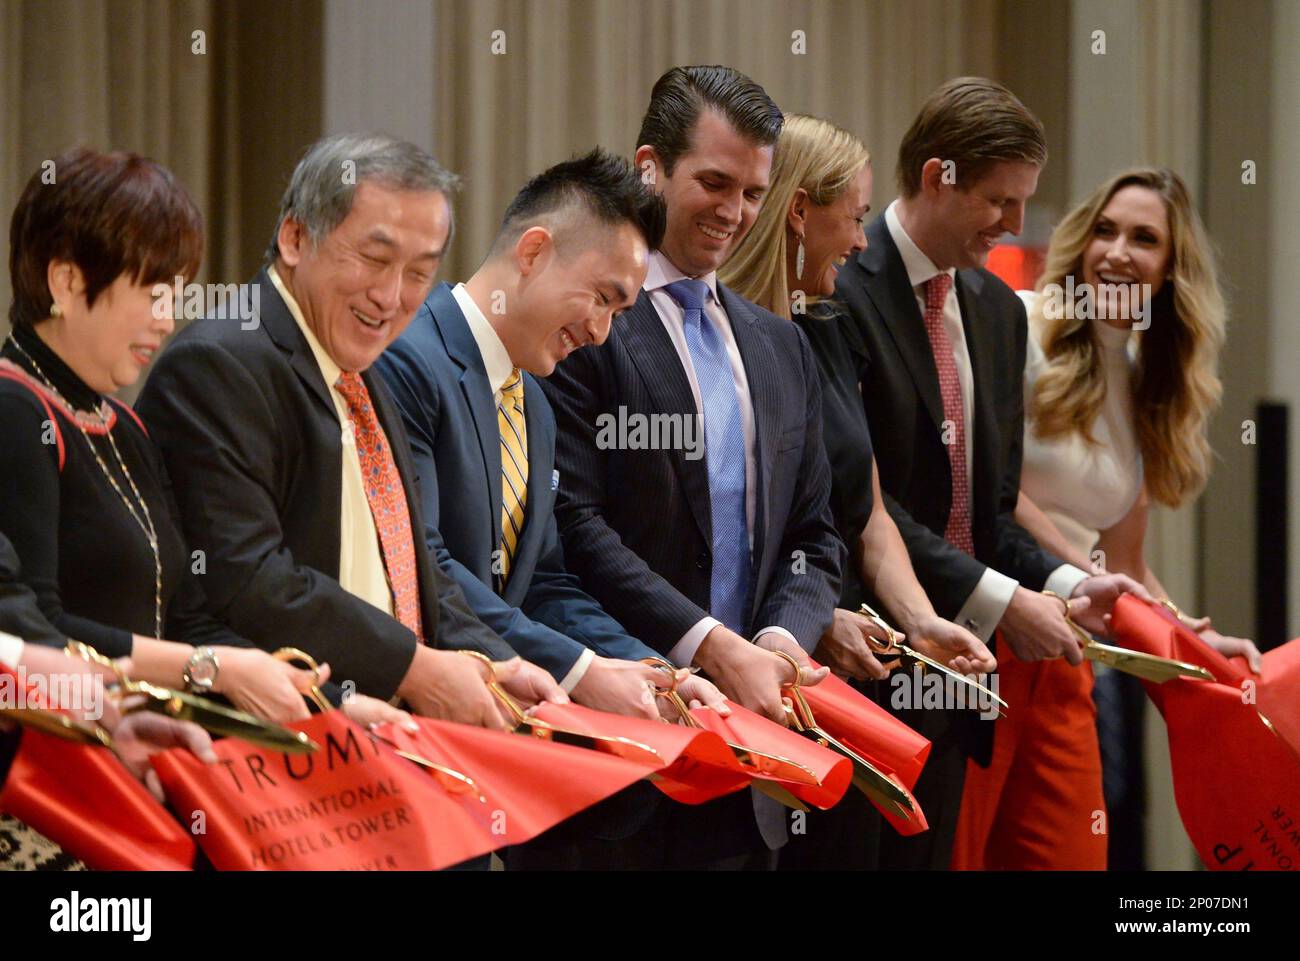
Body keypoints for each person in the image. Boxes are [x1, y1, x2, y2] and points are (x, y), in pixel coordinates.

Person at [136, 134, 564, 731]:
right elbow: (249, 579)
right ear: (294, 238)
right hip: (282, 742)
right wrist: (414, 668)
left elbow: (409, 562)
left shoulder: (359, 366)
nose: (390, 298)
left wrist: (493, 657)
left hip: (388, 733)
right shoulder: (221, 361)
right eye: (373, 258)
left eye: (420, 272)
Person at [831, 77, 1147, 870]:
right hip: (870, 661)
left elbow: (994, 509)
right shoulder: (840, 291)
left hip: (968, 673)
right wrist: (1006, 601)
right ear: (940, 176)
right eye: (1001, 203)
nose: (1014, 225)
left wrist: (1073, 586)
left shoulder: (997, 310)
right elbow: (866, 504)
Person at [541, 66, 846, 869]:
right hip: (616, 769)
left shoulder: (782, 346)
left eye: (753, 191)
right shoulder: (586, 322)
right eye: (714, 182)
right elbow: (572, 526)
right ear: (651, 166)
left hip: (750, 777)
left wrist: (780, 639)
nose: (735, 212)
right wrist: (711, 646)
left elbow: (816, 534)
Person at [0, 148, 369, 725]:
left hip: (141, 745)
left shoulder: (124, 426)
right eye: (153, 293)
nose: (168, 320)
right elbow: (35, 635)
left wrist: (333, 703)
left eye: (176, 294)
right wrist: (208, 668)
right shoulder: (15, 409)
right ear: (66, 283)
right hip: (54, 768)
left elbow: (188, 619)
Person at [718, 114, 996, 869]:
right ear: (800, 211)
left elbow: (869, 514)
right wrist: (818, 622)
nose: (864, 240)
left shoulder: (826, 333)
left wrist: (922, 619)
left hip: (862, 674)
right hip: (774, 678)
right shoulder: (713, 346)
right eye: (857, 214)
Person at [375, 148, 726, 720]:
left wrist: (653, 673)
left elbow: (542, 582)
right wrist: (579, 671)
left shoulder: (534, 403)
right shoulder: (408, 358)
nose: (601, 331)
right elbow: (422, 560)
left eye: (620, 311)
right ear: (533, 252)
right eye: (601, 298)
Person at [1014, 167, 1261, 866]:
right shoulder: (1020, 322)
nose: (1117, 251)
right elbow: (988, 490)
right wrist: (1080, 571)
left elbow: (1123, 567)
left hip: (1078, 653)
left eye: (1143, 238)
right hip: (999, 627)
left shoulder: (1146, 386)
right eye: (1106, 229)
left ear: (1171, 272)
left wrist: (1200, 652)